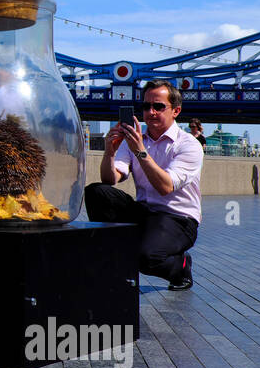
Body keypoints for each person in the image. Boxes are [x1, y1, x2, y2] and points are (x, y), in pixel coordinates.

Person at [85, 79, 202, 291]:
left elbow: (165, 186)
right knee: (96, 192)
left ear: (176, 111)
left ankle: (181, 265)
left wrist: (140, 151)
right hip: (145, 212)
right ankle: (118, 256)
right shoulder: (136, 140)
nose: (151, 112)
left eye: (158, 106)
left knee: (146, 258)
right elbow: (110, 180)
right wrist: (110, 151)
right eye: (146, 106)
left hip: (178, 219)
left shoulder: (188, 145)